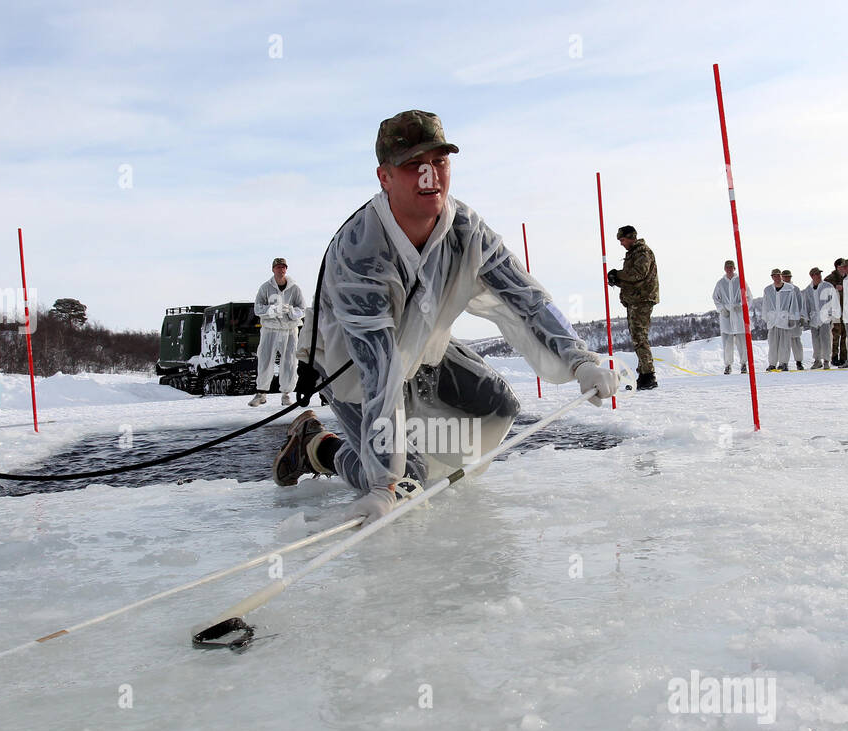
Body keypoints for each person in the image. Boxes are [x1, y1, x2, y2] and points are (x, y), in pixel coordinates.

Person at [271, 110, 617, 521]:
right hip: (350, 366)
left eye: (439, 162)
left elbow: (527, 297)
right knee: (405, 475)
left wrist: (580, 360)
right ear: (384, 177)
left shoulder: (466, 230)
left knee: (498, 407)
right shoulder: (360, 254)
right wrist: (384, 484)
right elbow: (379, 369)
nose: (429, 176)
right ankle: (319, 447)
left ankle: (398, 456)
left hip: (421, 348)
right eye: (414, 165)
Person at [608, 226, 660, 389]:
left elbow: (638, 274)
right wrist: (616, 279)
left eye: (622, 240)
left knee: (639, 337)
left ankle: (648, 376)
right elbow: (632, 278)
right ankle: (644, 373)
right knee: (637, 337)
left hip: (642, 299)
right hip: (635, 299)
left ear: (631, 237)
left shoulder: (642, 252)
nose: (621, 244)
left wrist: (618, 274)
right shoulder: (633, 254)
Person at [249, 258, 306, 406]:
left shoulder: (295, 289)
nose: (281, 270)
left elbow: (303, 309)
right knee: (265, 360)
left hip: (289, 330)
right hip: (270, 329)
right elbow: (257, 308)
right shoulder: (265, 288)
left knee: (290, 362)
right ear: (273, 269)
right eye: (278, 267)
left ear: (286, 269)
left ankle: (286, 394)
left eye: (283, 267)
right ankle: (261, 393)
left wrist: (292, 311)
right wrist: (271, 310)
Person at [712, 260, 746, 374]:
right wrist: (722, 309)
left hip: (738, 314)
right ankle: (728, 365)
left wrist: (741, 306)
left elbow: (748, 297)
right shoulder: (720, 283)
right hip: (726, 315)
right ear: (724, 269)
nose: (729, 269)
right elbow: (715, 298)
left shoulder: (741, 281)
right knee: (727, 342)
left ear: (734, 268)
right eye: (727, 267)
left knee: (742, 340)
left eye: (731, 267)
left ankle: (744, 364)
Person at [801, 267, 834, 369]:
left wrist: (833, 314)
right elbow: (806, 304)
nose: (819, 276)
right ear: (812, 276)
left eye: (819, 274)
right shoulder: (808, 290)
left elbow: (834, 301)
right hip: (814, 318)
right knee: (815, 340)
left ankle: (827, 360)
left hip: (825, 317)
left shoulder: (828, 286)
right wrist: (805, 317)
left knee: (826, 339)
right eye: (816, 274)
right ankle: (817, 360)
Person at [762, 268, 795, 371]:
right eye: (774, 276)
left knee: (784, 343)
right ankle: (772, 363)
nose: (776, 277)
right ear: (772, 277)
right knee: (772, 344)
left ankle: (783, 363)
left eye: (778, 275)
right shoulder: (768, 289)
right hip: (773, 321)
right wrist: (766, 317)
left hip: (784, 319)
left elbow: (793, 304)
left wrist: (793, 317)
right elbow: (765, 304)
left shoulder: (789, 288)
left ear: (781, 276)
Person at [824, 258, 847, 366]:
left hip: (846, 310)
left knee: (845, 334)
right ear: (837, 267)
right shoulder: (830, 279)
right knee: (835, 334)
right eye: (842, 266)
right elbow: (824, 292)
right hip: (835, 311)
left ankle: (844, 356)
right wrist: (834, 287)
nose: (844, 268)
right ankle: (834, 356)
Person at [781, 269, 805, 369]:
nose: (787, 278)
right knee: (783, 342)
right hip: (782, 319)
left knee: (796, 341)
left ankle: (799, 361)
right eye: (785, 277)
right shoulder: (778, 289)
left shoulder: (796, 289)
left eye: (789, 277)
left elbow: (800, 304)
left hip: (794, 319)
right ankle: (783, 362)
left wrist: (801, 317)